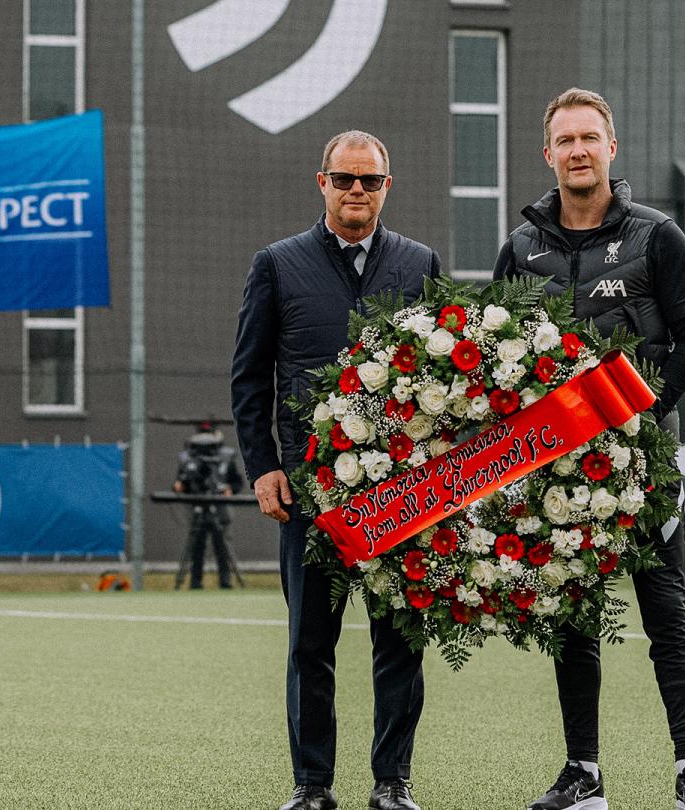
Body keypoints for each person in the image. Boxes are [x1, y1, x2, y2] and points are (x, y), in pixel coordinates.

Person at [493, 88, 685, 810]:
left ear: (611, 148)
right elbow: (499, 359)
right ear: (549, 154)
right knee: (571, 617)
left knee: (667, 615)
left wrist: (630, 418)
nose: (579, 150)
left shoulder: (659, 236)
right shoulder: (521, 248)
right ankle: (583, 773)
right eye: (566, 141)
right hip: (559, 476)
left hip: (641, 468)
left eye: (590, 137)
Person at [231, 130, 441, 810]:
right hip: (311, 494)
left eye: (370, 181)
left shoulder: (419, 263)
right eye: (345, 179)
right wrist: (263, 466)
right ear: (320, 182)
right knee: (309, 646)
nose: (357, 191)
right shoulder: (277, 264)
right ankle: (312, 785)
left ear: (388, 187)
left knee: (398, 641)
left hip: (401, 493)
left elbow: (446, 376)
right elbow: (249, 377)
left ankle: (391, 783)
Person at [171, 424, 245, 589]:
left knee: (222, 546)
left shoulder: (225, 458)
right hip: (198, 507)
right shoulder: (188, 459)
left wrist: (229, 489)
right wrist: (179, 486)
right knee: (197, 546)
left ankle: (225, 582)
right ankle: (195, 582)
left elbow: (237, 482)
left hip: (220, 509)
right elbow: (183, 481)